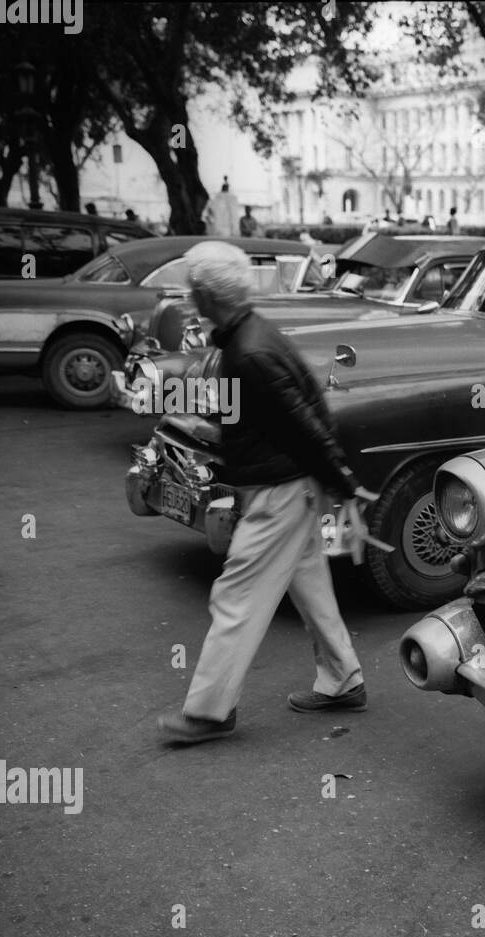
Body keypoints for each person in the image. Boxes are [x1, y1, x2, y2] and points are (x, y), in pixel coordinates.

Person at [156, 242, 378, 745]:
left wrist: (344, 486)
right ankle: (343, 680)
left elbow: (304, 424)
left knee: (236, 595)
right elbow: (301, 411)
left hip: (279, 493)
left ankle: (210, 712)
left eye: (193, 290)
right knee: (310, 586)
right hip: (288, 488)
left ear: (208, 295)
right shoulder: (251, 336)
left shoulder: (249, 349)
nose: (190, 298)